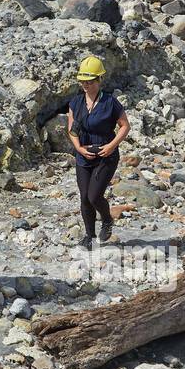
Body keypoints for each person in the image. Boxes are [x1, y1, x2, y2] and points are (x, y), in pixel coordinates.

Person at [66, 56, 131, 249]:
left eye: (89, 80)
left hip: (106, 155)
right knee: (84, 197)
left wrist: (111, 146)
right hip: (83, 155)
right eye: (82, 80)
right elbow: (72, 129)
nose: (85, 84)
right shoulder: (75, 103)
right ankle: (89, 236)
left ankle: (107, 220)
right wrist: (78, 148)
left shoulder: (111, 103)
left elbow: (125, 126)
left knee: (94, 196)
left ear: (99, 80)